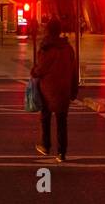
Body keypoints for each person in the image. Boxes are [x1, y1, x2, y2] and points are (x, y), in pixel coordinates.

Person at [31, 20, 78, 162]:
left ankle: (46, 145)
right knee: (62, 122)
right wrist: (74, 89)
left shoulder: (46, 48)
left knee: (45, 117)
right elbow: (74, 70)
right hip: (64, 89)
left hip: (48, 90)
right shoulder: (68, 48)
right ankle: (62, 152)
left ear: (48, 31)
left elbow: (40, 69)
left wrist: (34, 71)